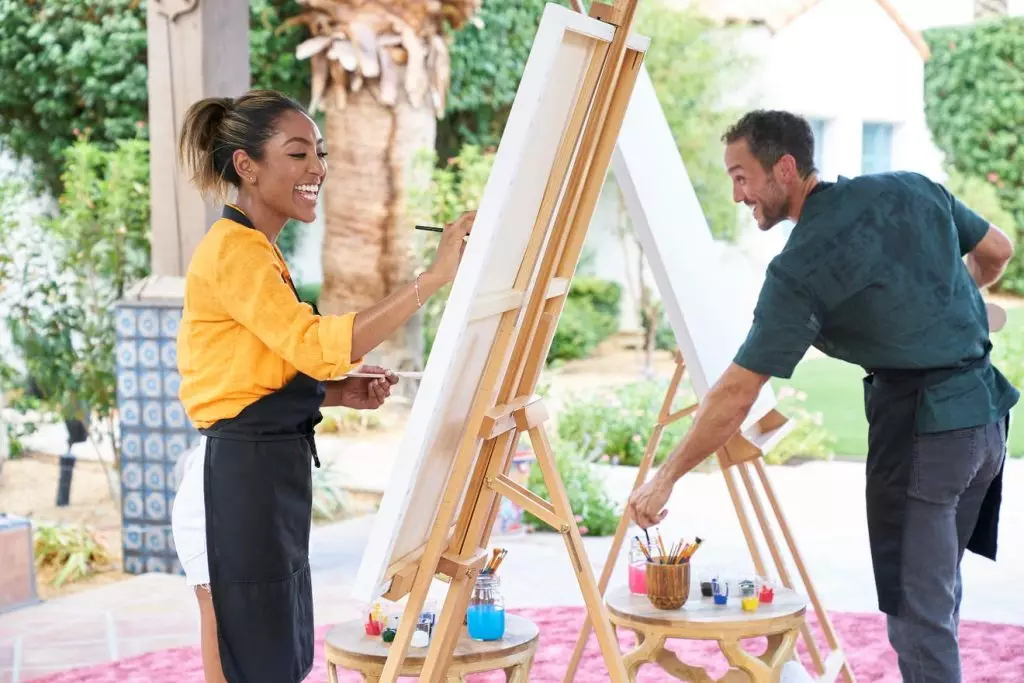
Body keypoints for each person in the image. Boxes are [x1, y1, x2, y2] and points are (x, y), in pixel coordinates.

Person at [627, 109, 1018, 682]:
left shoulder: (799, 267)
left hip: (926, 437)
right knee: (937, 595)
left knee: (918, 616)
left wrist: (665, 478)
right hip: (986, 426)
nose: (738, 195)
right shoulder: (911, 187)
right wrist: (940, 302)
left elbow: (737, 392)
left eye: (742, 176)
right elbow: (998, 251)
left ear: (784, 168)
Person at [168, 89, 475, 683]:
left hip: (257, 476)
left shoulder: (257, 251)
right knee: (252, 660)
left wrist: (335, 394)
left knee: (271, 656)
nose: (318, 168)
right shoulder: (235, 252)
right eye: (298, 153)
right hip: (231, 484)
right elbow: (316, 344)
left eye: (321, 153)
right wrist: (434, 278)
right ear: (247, 167)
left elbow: (251, 371)